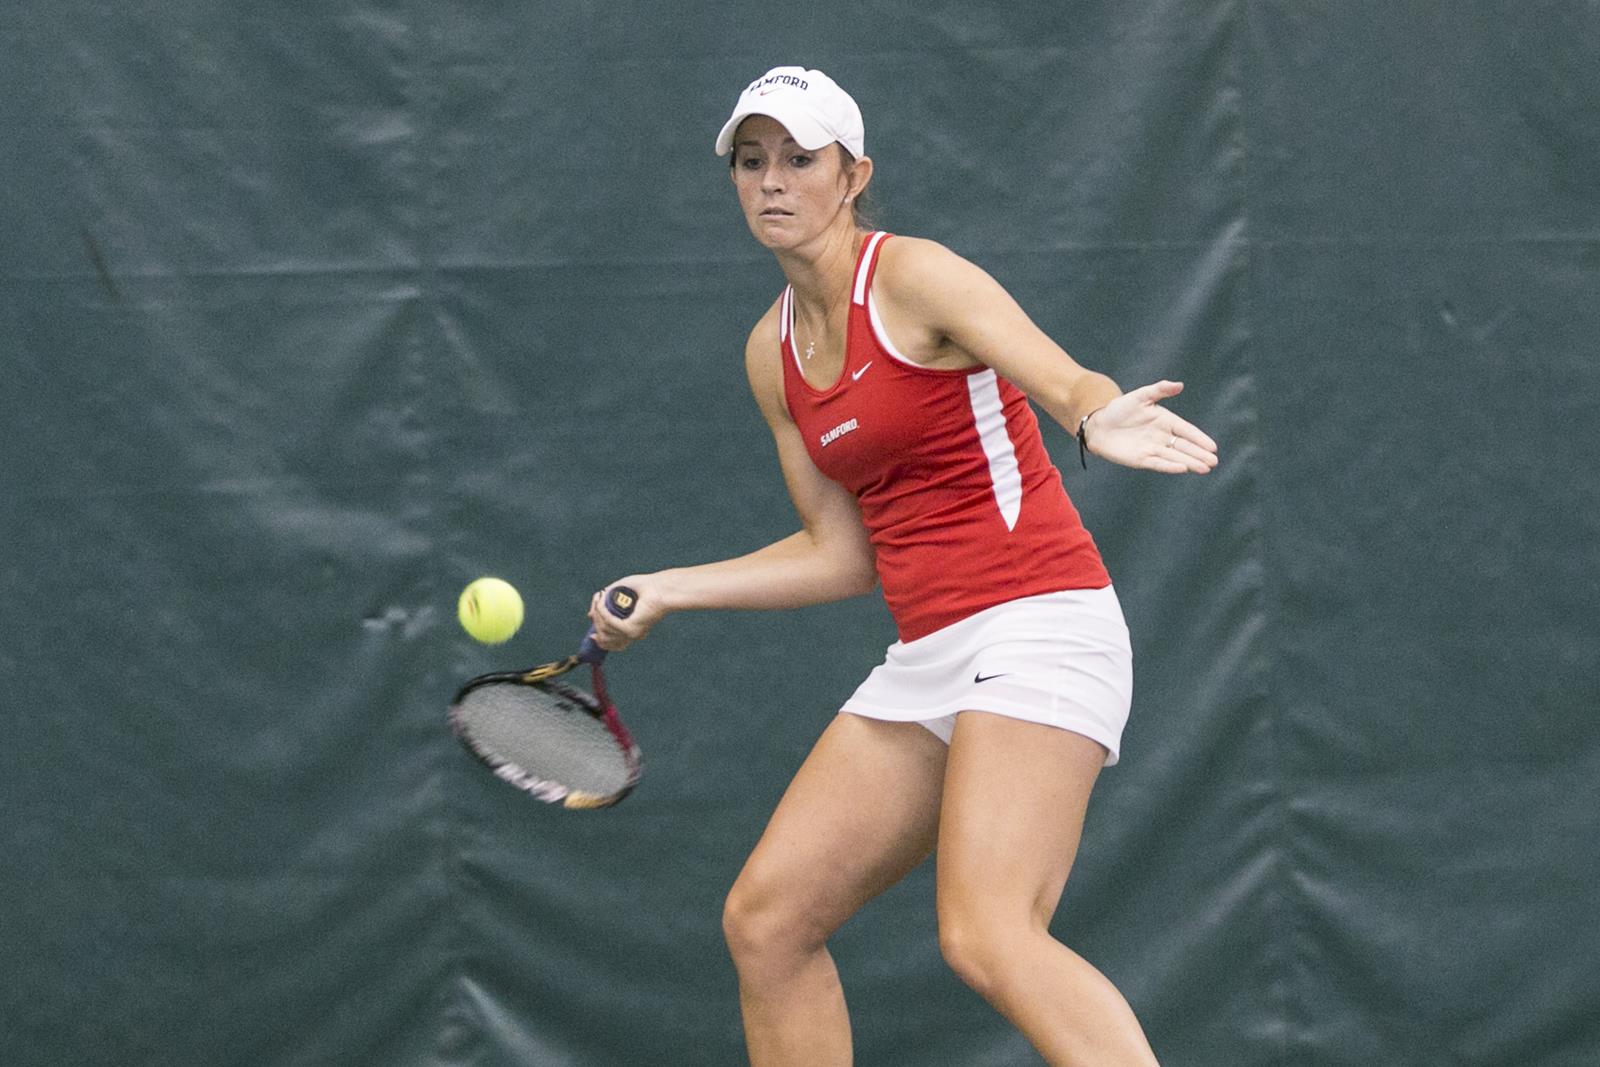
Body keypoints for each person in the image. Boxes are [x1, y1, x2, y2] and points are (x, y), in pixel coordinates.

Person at [589, 65, 1217, 1067]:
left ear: (853, 174)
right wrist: (672, 586)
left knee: (986, 931)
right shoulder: (771, 351)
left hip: (1039, 622)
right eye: (751, 162)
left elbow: (1058, 376)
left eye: (800, 159)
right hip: (930, 653)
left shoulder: (915, 275)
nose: (772, 182)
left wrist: (1099, 414)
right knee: (767, 919)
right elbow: (840, 554)